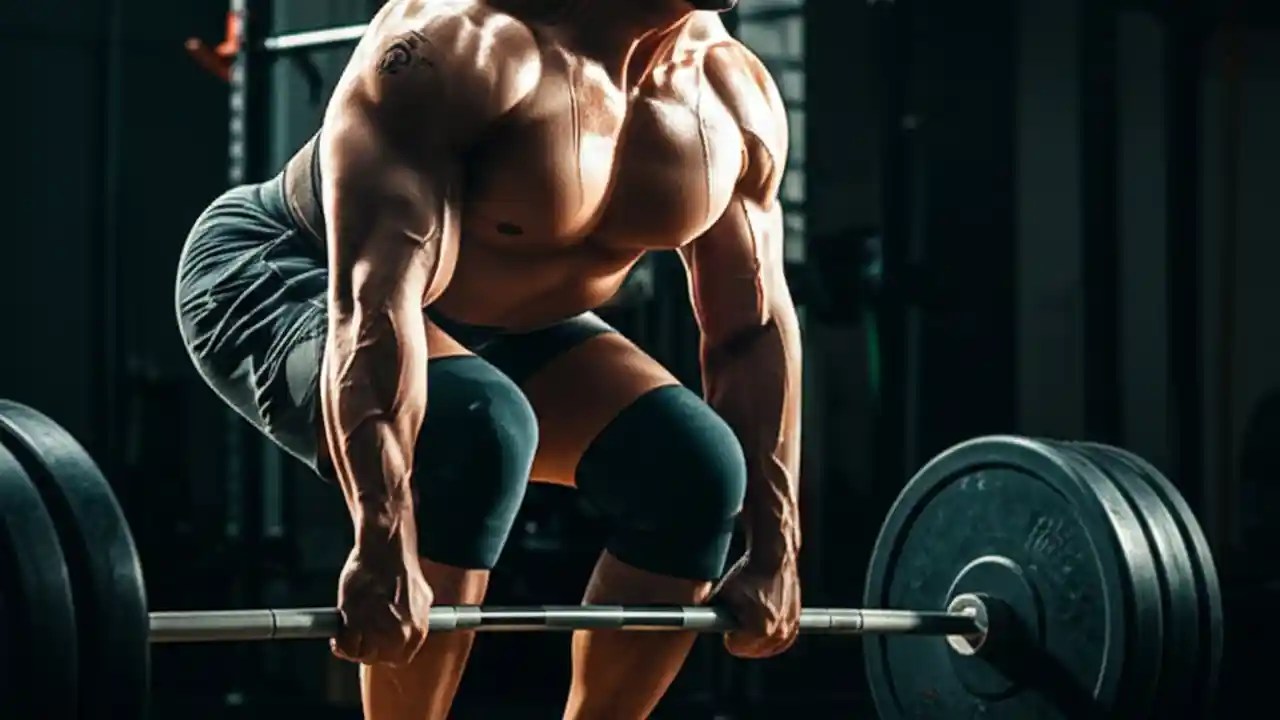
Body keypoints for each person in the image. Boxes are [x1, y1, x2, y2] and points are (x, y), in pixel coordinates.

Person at [175, 1, 802, 717]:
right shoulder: (459, 44)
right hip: (291, 272)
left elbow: (749, 331)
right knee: (477, 428)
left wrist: (775, 551)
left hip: (501, 318)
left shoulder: (729, 89)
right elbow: (374, 299)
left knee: (695, 468)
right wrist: (385, 541)